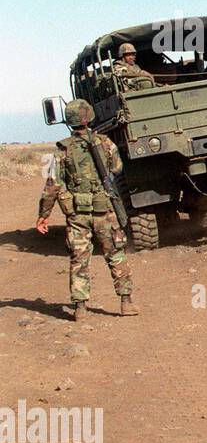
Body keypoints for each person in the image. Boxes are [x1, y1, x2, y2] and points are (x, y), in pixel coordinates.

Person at [35, 99, 139, 321]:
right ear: (89, 116)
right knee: (116, 255)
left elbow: (52, 186)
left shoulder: (62, 150)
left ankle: (80, 307)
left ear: (70, 122)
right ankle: (126, 302)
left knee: (79, 259)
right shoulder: (106, 143)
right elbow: (118, 168)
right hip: (105, 211)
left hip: (78, 215)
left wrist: (43, 216)